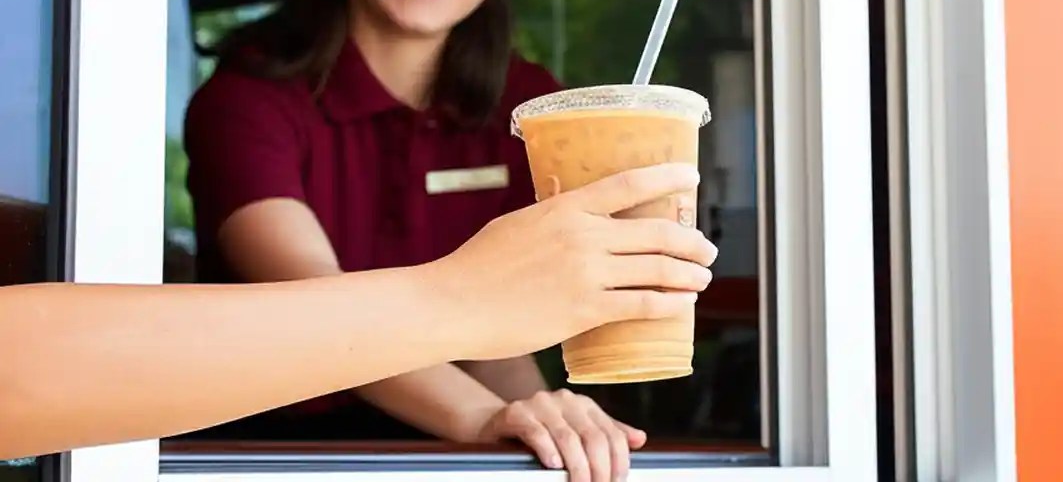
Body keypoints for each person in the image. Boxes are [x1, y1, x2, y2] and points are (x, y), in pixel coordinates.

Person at [178, 0, 661, 480]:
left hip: (453, 457)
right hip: (264, 458)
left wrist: (553, 423)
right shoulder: (246, 99)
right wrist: (484, 420)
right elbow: (316, 304)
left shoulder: (526, 107)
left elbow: (493, 330)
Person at [0, 163, 715, 463]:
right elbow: (17, 376)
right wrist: (462, 305)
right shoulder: (256, 95)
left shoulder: (513, 99)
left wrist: (531, 411)